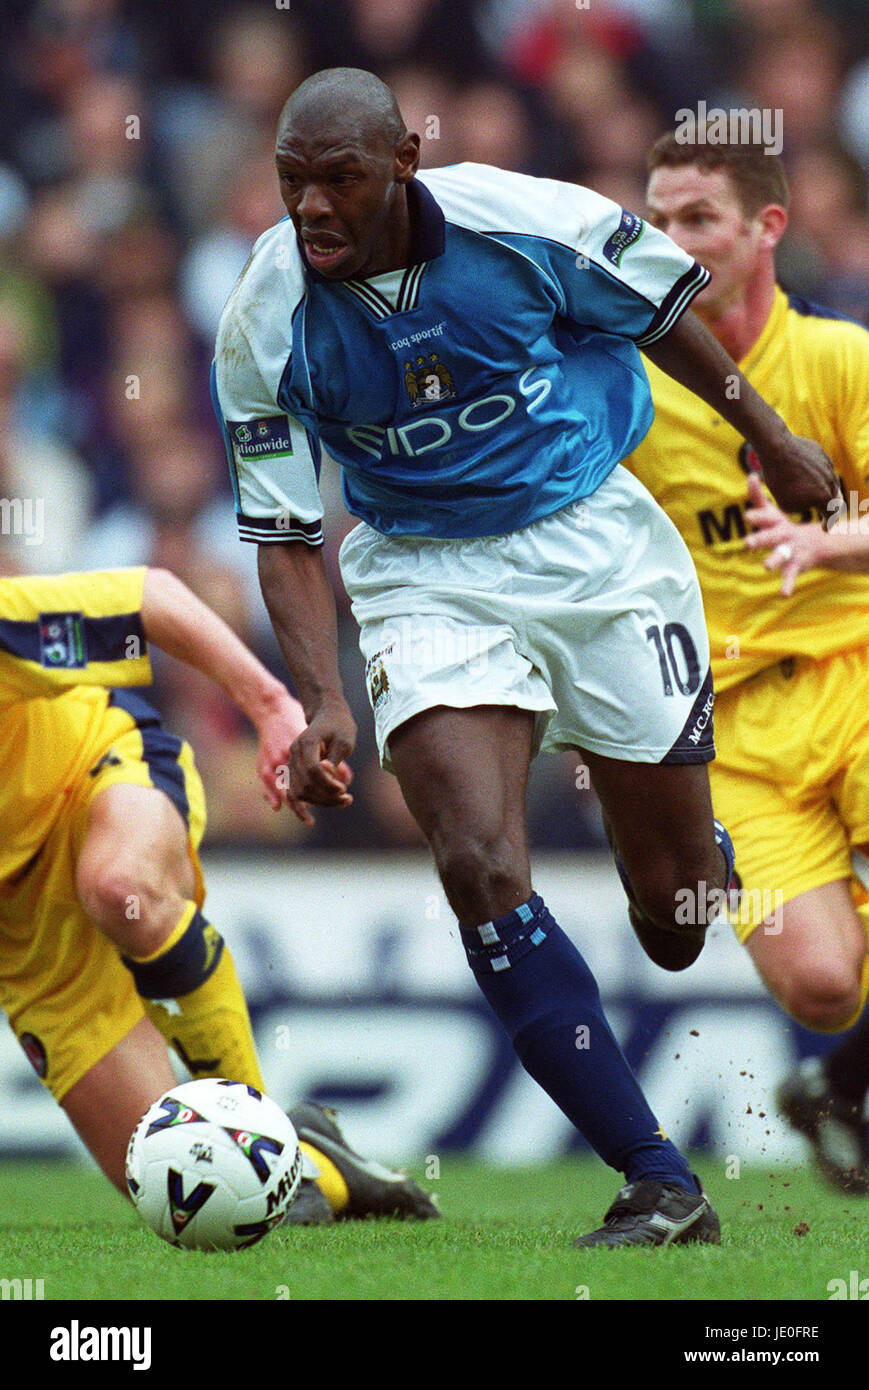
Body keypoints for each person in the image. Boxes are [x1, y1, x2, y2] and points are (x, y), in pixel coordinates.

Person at [212, 68, 838, 1247]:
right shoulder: (263, 312)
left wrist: (772, 438)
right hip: (424, 571)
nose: (310, 210)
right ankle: (657, 1178)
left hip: (595, 544)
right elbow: (285, 530)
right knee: (477, 860)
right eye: (291, 183)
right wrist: (317, 698)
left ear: (402, 157)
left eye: (336, 179)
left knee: (674, 914)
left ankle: (687, 833)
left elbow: (658, 311)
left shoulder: (524, 220)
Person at [0, 565, 438, 1223]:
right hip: (26, 933)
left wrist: (268, 706)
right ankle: (318, 1164)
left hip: (92, 776)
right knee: (176, 1190)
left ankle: (262, 1134)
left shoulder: (8, 626)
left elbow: (154, 596)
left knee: (119, 886)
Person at [623, 131, 869, 1193]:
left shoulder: (835, 360)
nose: (669, 244)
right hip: (728, 729)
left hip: (854, 673)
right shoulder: (625, 390)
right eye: (654, 220)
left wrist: (826, 540)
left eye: (696, 221)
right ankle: (839, 1081)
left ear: (765, 227)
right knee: (821, 986)